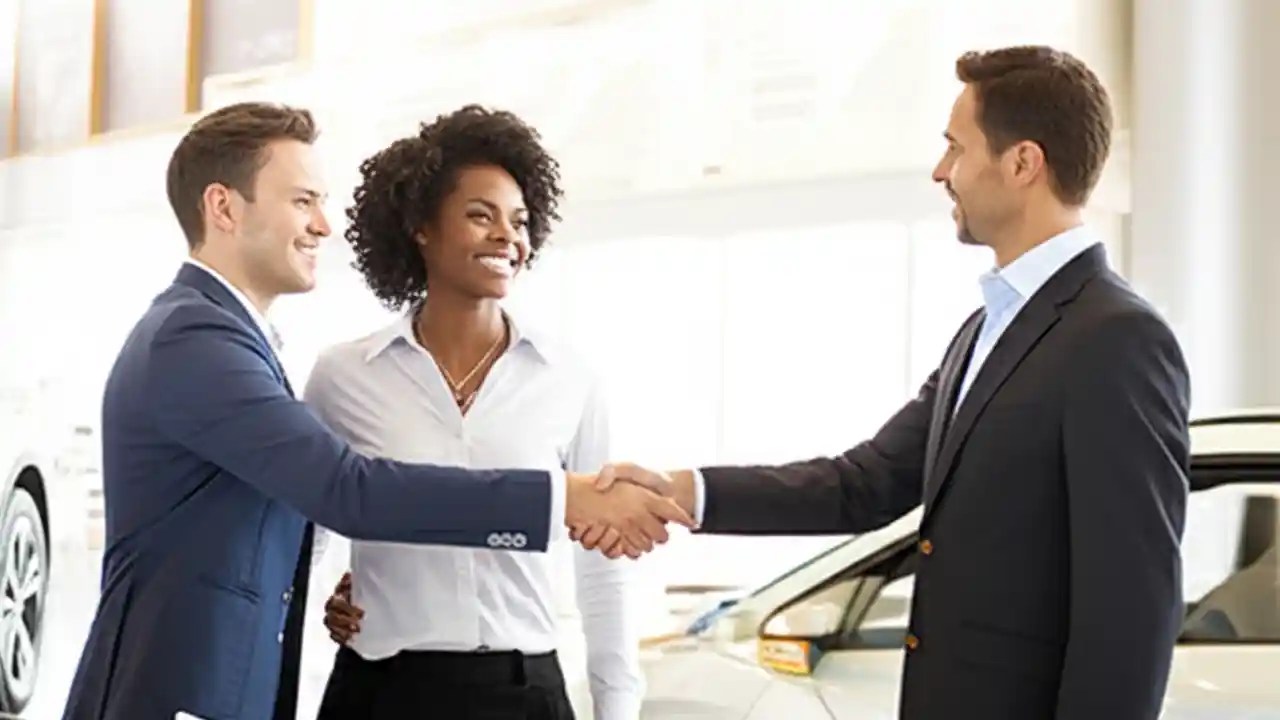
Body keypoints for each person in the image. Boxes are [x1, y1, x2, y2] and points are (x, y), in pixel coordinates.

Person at [592, 46, 1192, 720]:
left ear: (1023, 163)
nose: (941, 172)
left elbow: (1131, 603)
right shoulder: (984, 330)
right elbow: (866, 482)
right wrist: (687, 492)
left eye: (955, 150)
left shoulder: (1116, 338)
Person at [60, 102, 692, 720]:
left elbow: (297, 507)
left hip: (513, 684)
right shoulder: (199, 340)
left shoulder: (230, 337)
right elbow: (344, 491)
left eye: (520, 220)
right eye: (302, 200)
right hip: (201, 684)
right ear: (223, 206)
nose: (322, 225)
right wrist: (563, 500)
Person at [302, 105, 644, 719]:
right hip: (380, 691)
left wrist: (617, 709)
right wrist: (329, 599)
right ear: (421, 229)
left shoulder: (568, 379)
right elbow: (305, 533)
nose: (506, 237)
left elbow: (603, 566)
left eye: (519, 221)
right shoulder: (345, 375)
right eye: (480, 216)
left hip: (522, 691)